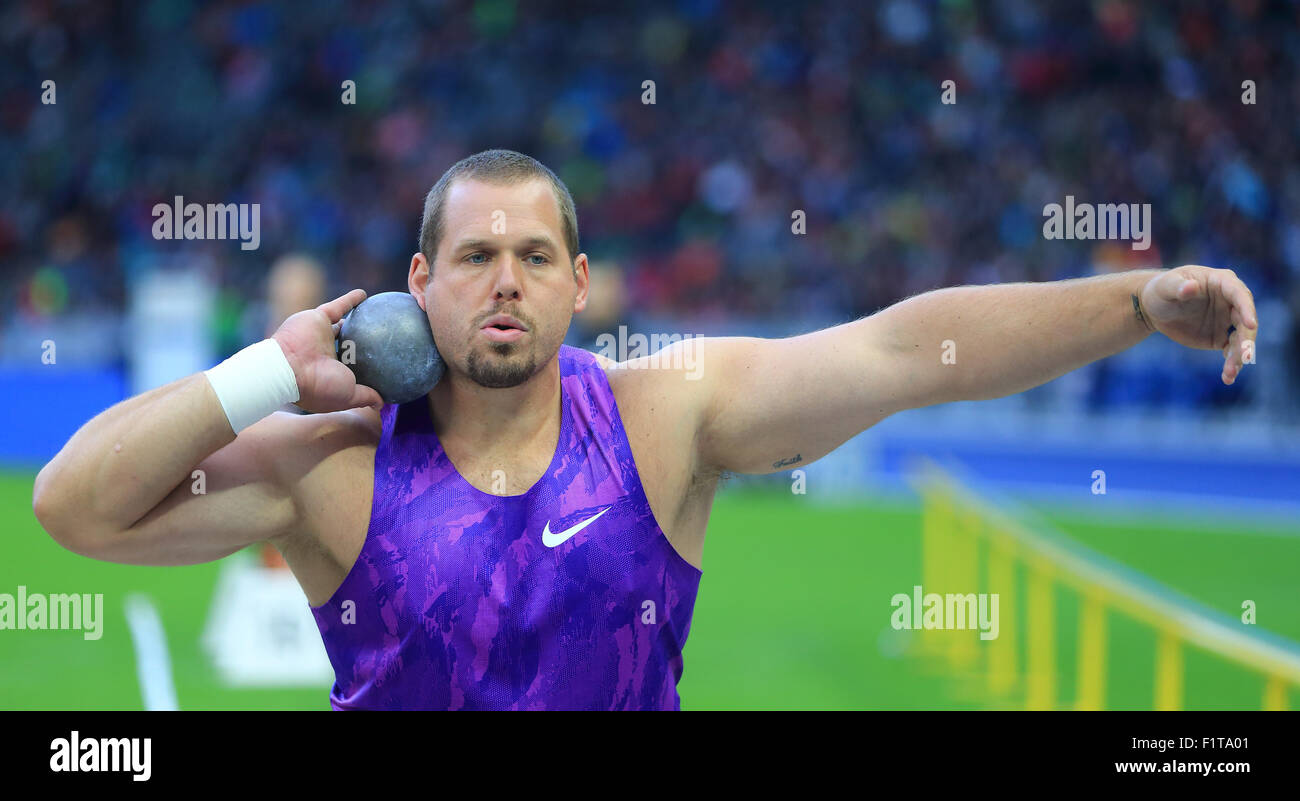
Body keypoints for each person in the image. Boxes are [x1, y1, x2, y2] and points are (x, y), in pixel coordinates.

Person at [31, 149, 1259, 710]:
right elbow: (75, 506)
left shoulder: (667, 419)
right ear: (419, 282)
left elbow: (900, 349)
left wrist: (1130, 304)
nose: (502, 280)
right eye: (472, 257)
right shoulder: (332, 462)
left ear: (581, 285)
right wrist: (266, 370)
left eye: (531, 256)